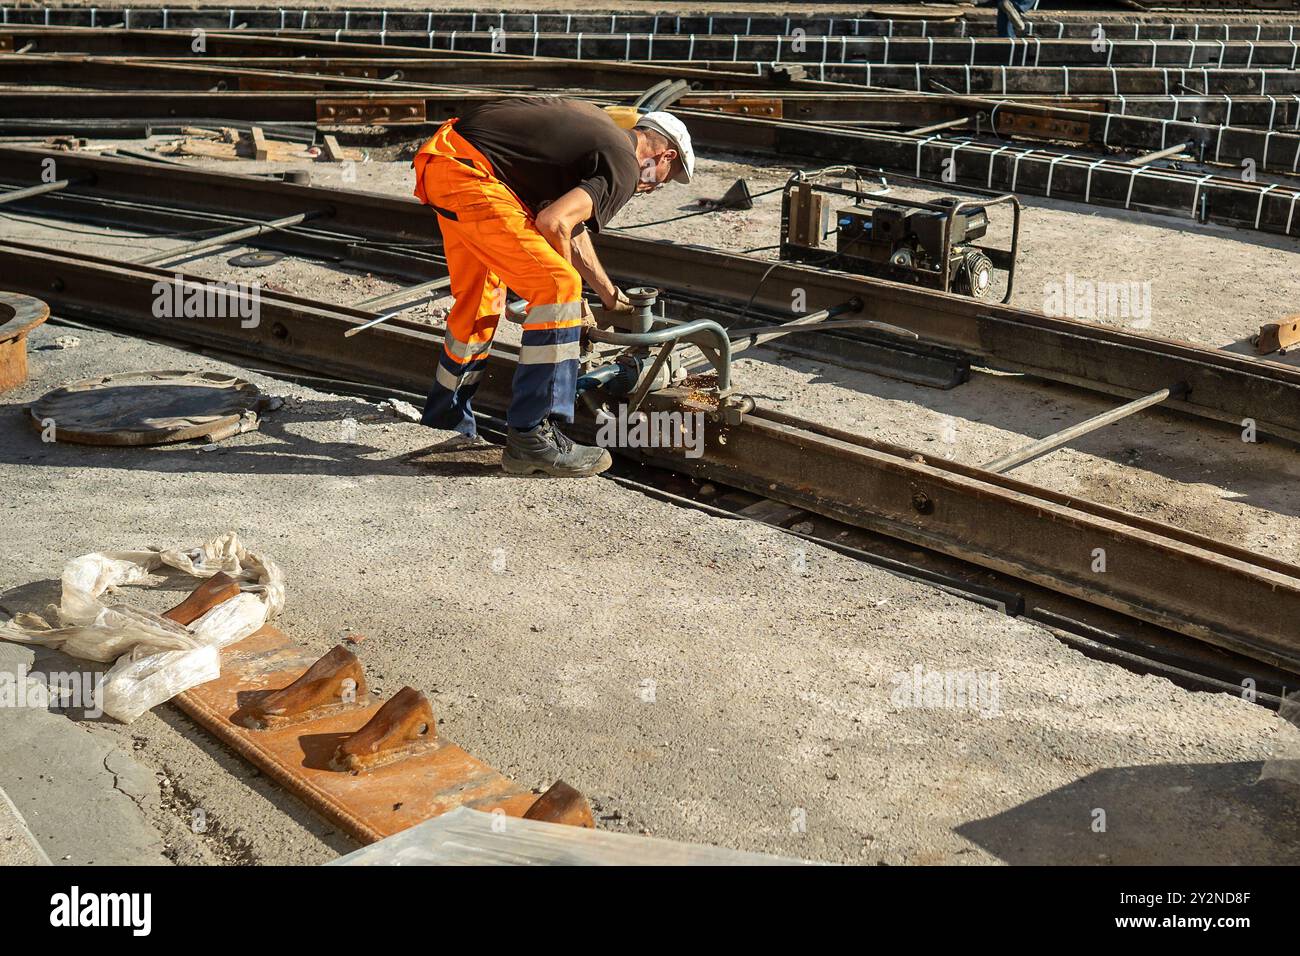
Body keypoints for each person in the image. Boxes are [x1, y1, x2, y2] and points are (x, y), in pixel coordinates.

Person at [410, 97, 694, 477]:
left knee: (482, 300)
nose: (654, 188)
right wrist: (574, 304)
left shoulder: (599, 134)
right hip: (475, 178)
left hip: (446, 161)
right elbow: (554, 223)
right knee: (558, 288)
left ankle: (445, 417)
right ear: (665, 157)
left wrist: (611, 297)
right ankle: (532, 438)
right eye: (665, 180)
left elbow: (570, 228)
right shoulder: (626, 165)